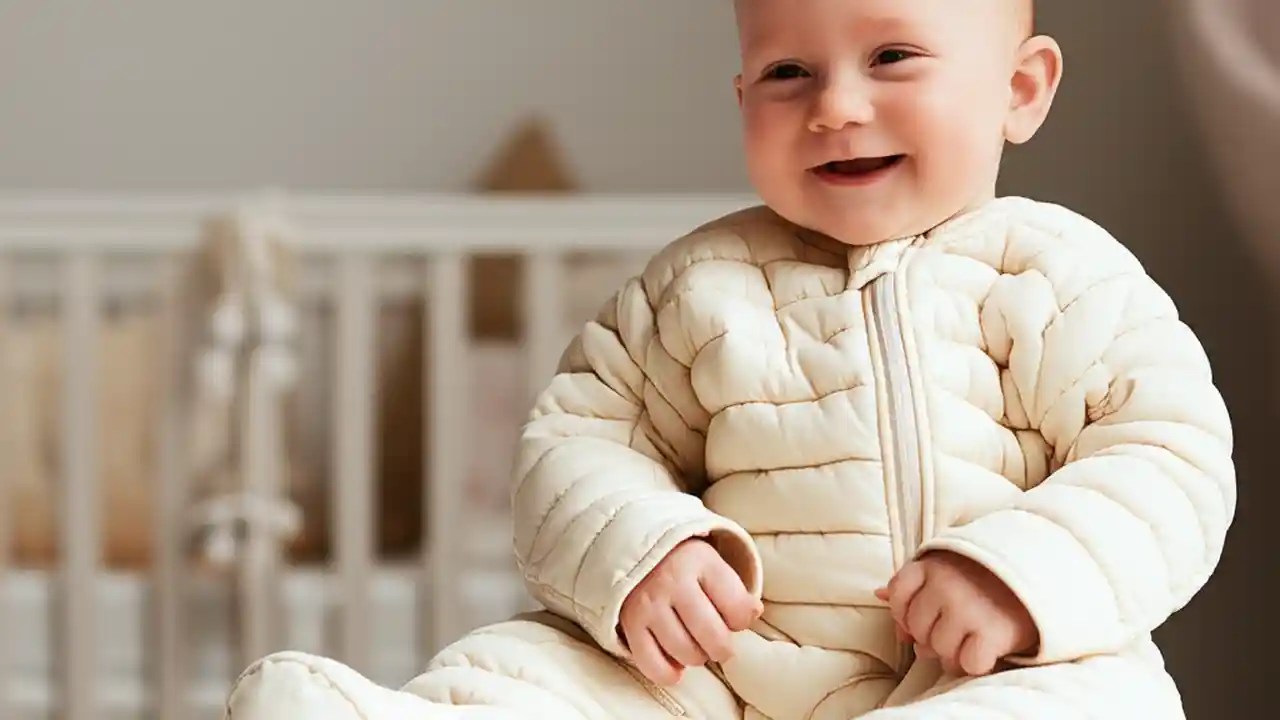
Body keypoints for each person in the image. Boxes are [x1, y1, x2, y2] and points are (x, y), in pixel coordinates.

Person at [226, 1, 1235, 717]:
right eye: (787, 73)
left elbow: (1167, 455)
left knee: (1089, 704)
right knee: (531, 670)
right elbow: (579, 438)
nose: (834, 105)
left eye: (890, 57)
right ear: (742, 91)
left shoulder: (1057, 274)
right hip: (722, 683)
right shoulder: (697, 284)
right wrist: (645, 550)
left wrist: (1023, 577)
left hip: (988, 673)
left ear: (1018, 89)